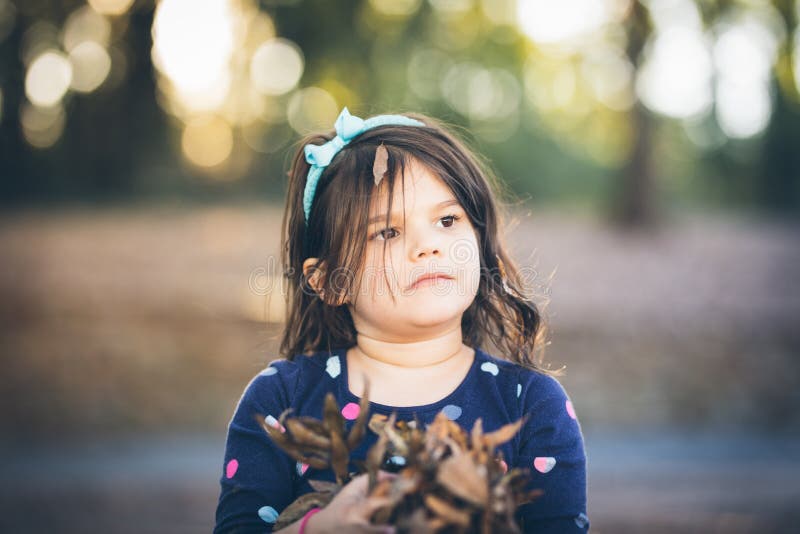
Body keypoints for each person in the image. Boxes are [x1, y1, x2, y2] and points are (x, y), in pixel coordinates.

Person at [214, 107, 590, 533]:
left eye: (447, 220)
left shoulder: (530, 404)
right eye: (387, 232)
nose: (427, 245)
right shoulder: (281, 400)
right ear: (329, 282)